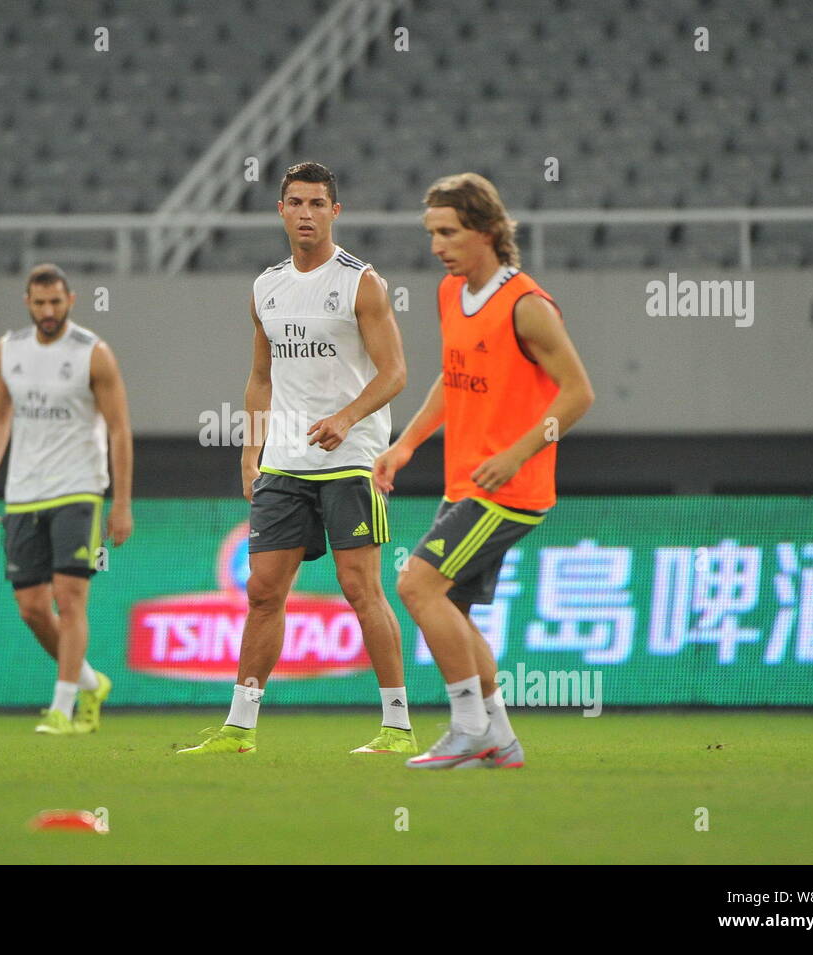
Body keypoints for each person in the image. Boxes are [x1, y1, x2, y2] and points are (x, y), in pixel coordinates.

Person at [179, 162, 411, 756]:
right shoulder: (266, 287)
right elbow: (260, 378)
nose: (306, 213)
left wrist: (345, 418)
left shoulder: (362, 283)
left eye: (317, 203)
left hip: (351, 460)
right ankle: (239, 728)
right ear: (280, 210)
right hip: (284, 462)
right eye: (295, 202)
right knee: (261, 592)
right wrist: (249, 451)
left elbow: (395, 374)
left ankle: (396, 725)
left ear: (336, 212)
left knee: (361, 589)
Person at [374, 172, 595, 770]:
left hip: (508, 488)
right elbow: (454, 379)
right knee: (453, 610)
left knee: (416, 585)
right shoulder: (451, 294)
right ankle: (501, 738)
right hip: (464, 482)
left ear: (489, 231)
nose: (437, 245)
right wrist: (407, 444)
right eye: (431, 233)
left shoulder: (528, 306)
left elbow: (577, 395)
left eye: (448, 232)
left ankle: (468, 726)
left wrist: (518, 452)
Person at [0, 264, 132, 734]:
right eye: (40, 303)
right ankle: (88, 682)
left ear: (71, 301)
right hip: (22, 493)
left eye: (56, 302)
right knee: (31, 608)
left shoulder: (92, 354)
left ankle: (61, 709)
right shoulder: (9, 350)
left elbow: (120, 430)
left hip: (79, 488)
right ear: (27, 302)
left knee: (70, 598)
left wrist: (121, 501)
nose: (48, 311)